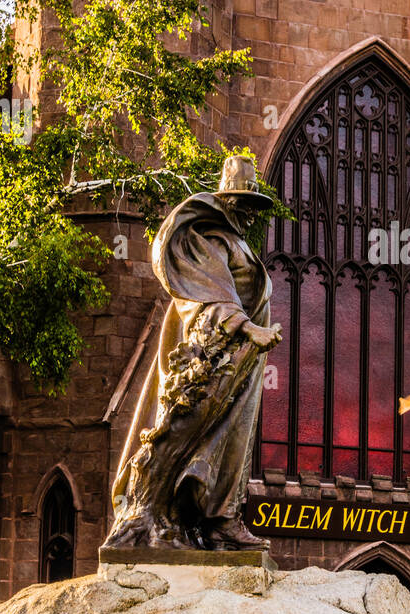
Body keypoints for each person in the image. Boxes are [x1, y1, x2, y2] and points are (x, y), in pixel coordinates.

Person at [103, 154, 282, 550]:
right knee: (187, 434)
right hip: (212, 359)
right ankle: (153, 516)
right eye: (242, 204)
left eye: (253, 207)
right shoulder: (207, 240)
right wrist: (249, 328)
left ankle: (220, 520)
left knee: (232, 437)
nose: (249, 215)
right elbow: (211, 295)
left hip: (242, 360)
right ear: (224, 201)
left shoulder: (236, 242)